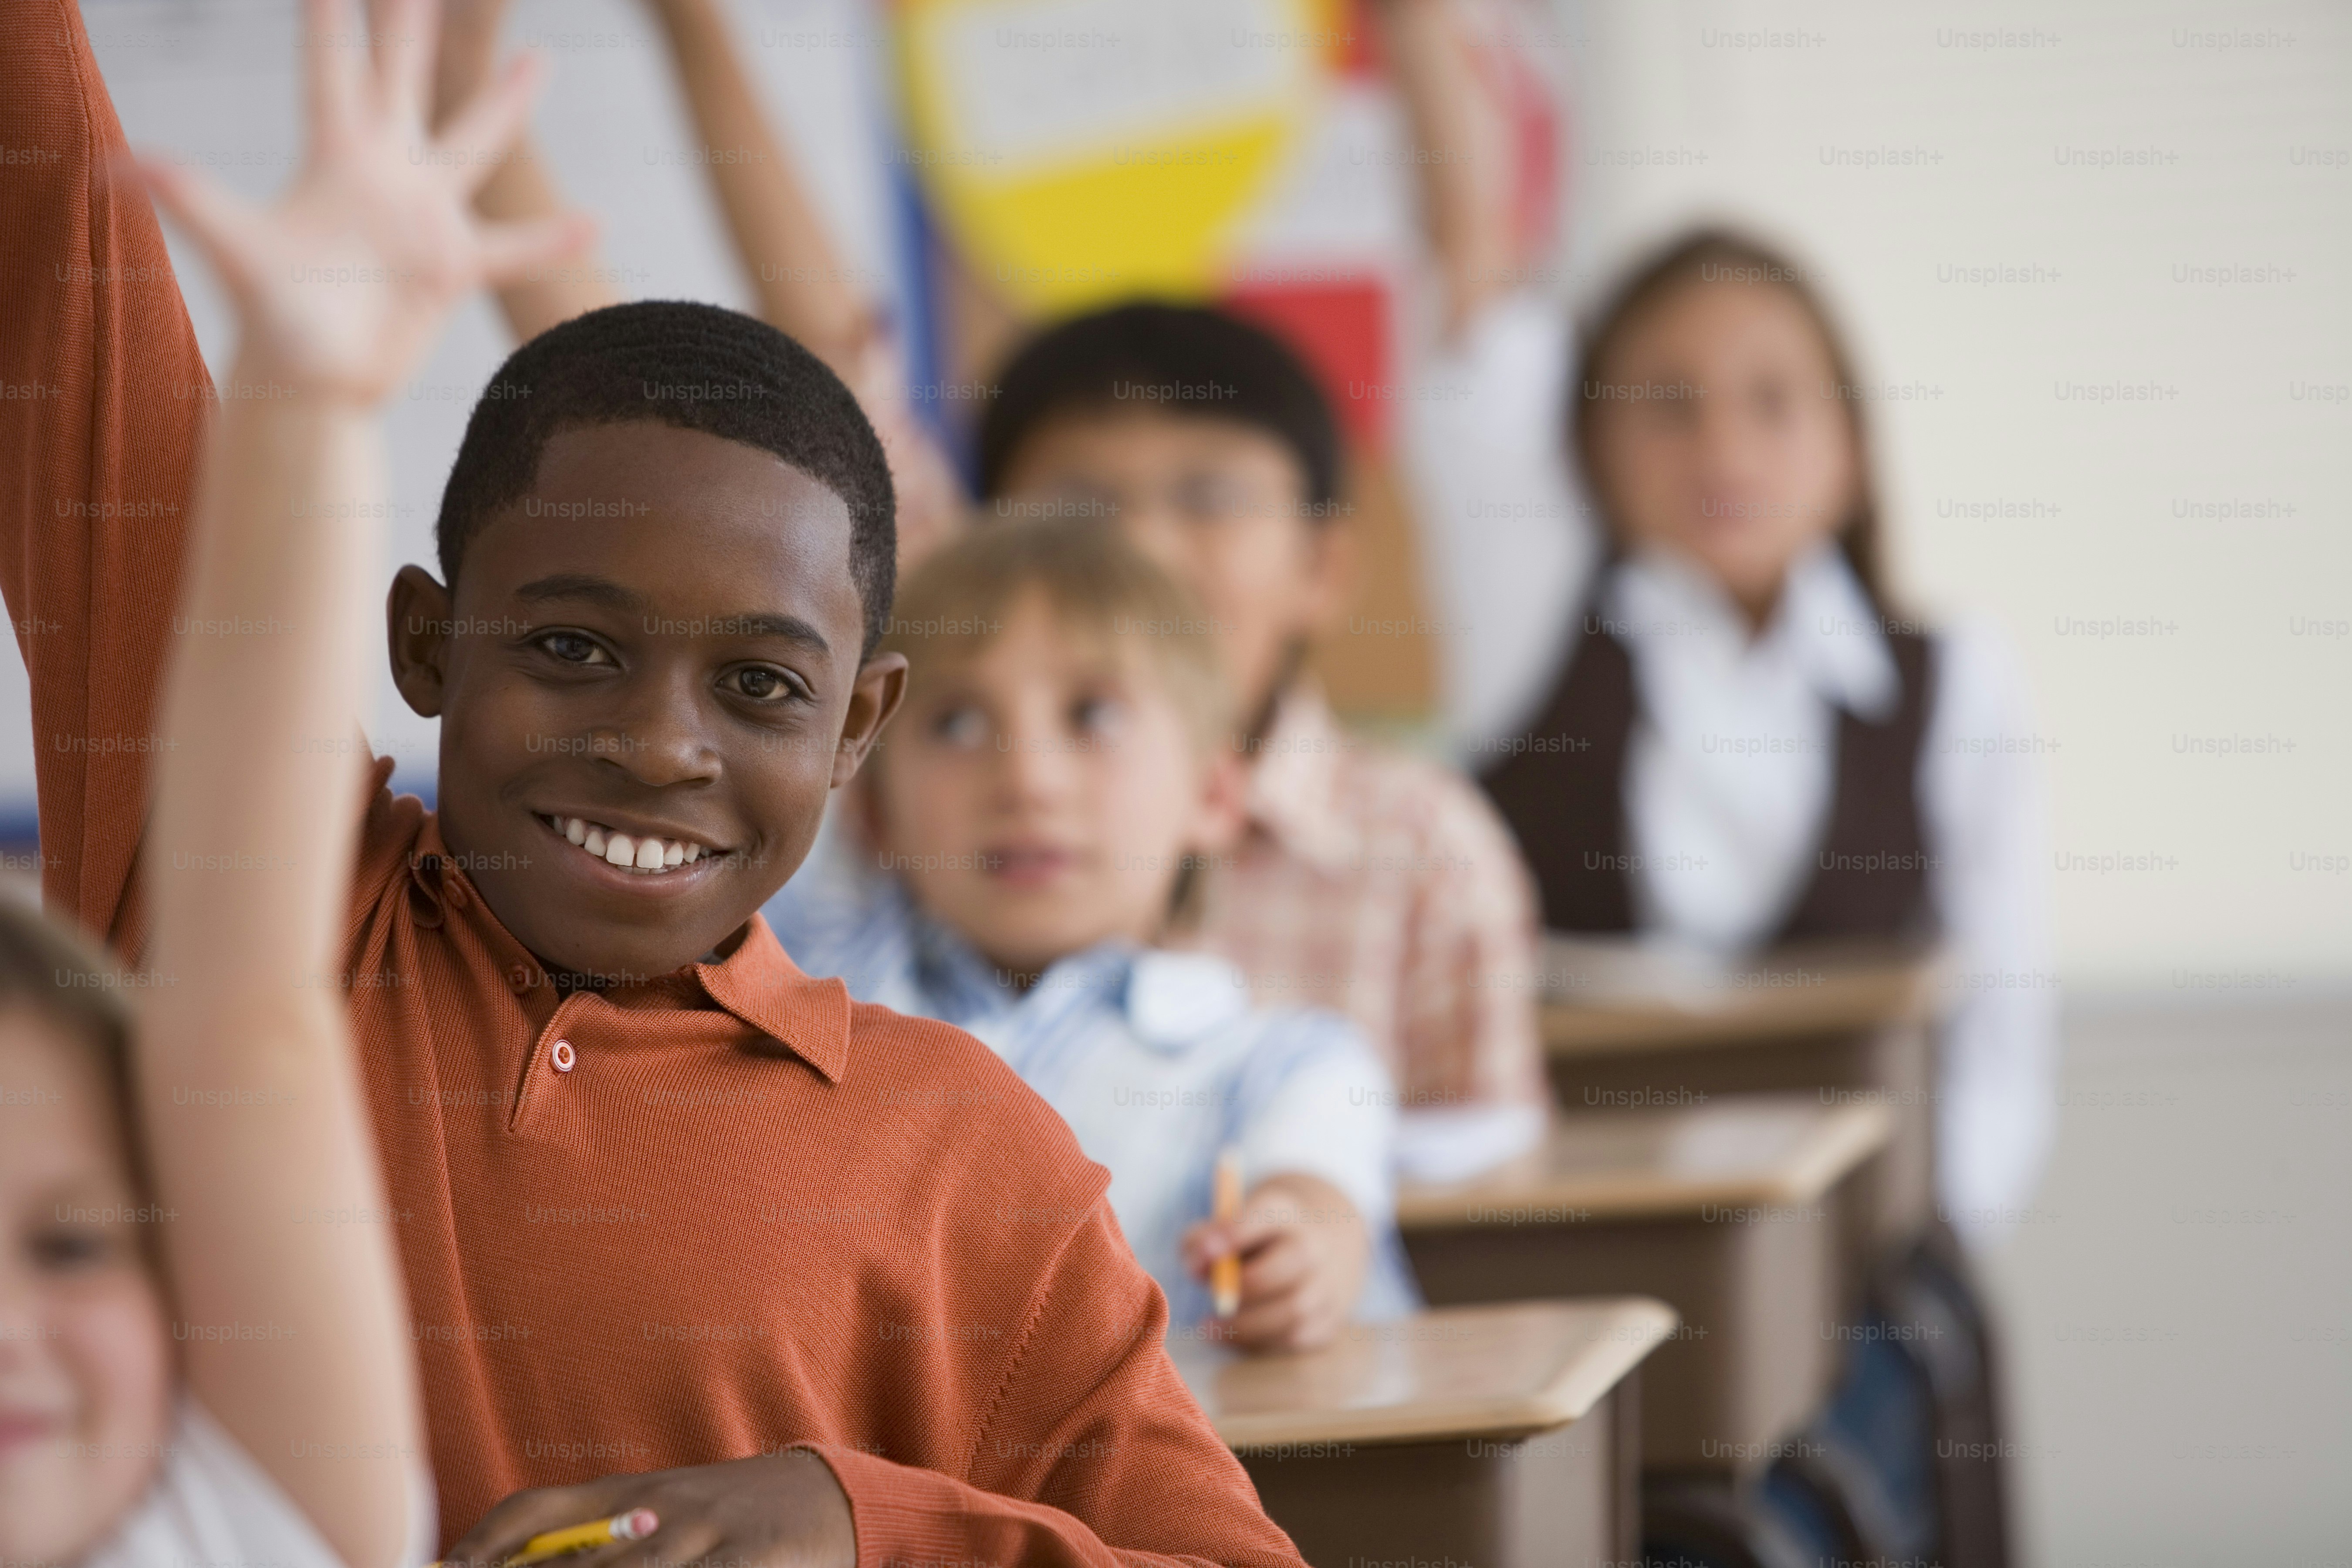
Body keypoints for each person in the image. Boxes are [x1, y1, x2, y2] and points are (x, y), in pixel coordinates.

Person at [0, 3, 1312, 1563]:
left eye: (758, 686)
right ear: (426, 643)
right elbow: (58, 250)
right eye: (569, 646)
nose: (659, 745)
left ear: (857, 728)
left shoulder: (968, 1160)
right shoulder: (254, 915)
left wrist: (864, 1522)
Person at [527, 0, 1554, 1169]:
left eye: (1208, 501)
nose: (1144, 549)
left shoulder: (1421, 845)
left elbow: (1493, 1223)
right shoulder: (946, 718)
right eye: (1081, 508)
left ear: (1323, 566)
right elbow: (808, 362)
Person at [2, 6, 466, 1560]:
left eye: (72, 1247)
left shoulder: (238, 1526)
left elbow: (247, 1011)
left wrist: (310, 402)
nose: (9, 1330)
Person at [1423, 224, 2058, 1236]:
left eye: (1772, 400)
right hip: (1579, 1248)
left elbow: (2001, 1017)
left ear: (1850, 447)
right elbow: (1480, 327)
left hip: (1869, 1264)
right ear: (1593, 448)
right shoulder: (1528, 636)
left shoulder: (1953, 676)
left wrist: (1929, 1235)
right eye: (1668, 406)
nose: (1723, 448)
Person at [773, 517, 1419, 1348]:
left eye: (1094, 717)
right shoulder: (799, 1022)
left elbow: (1320, 1199)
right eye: (957, 726)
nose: (1028, 780)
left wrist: (1297, 1251)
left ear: (1216, 796)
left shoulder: (1281, 1061)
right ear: (870, 810)